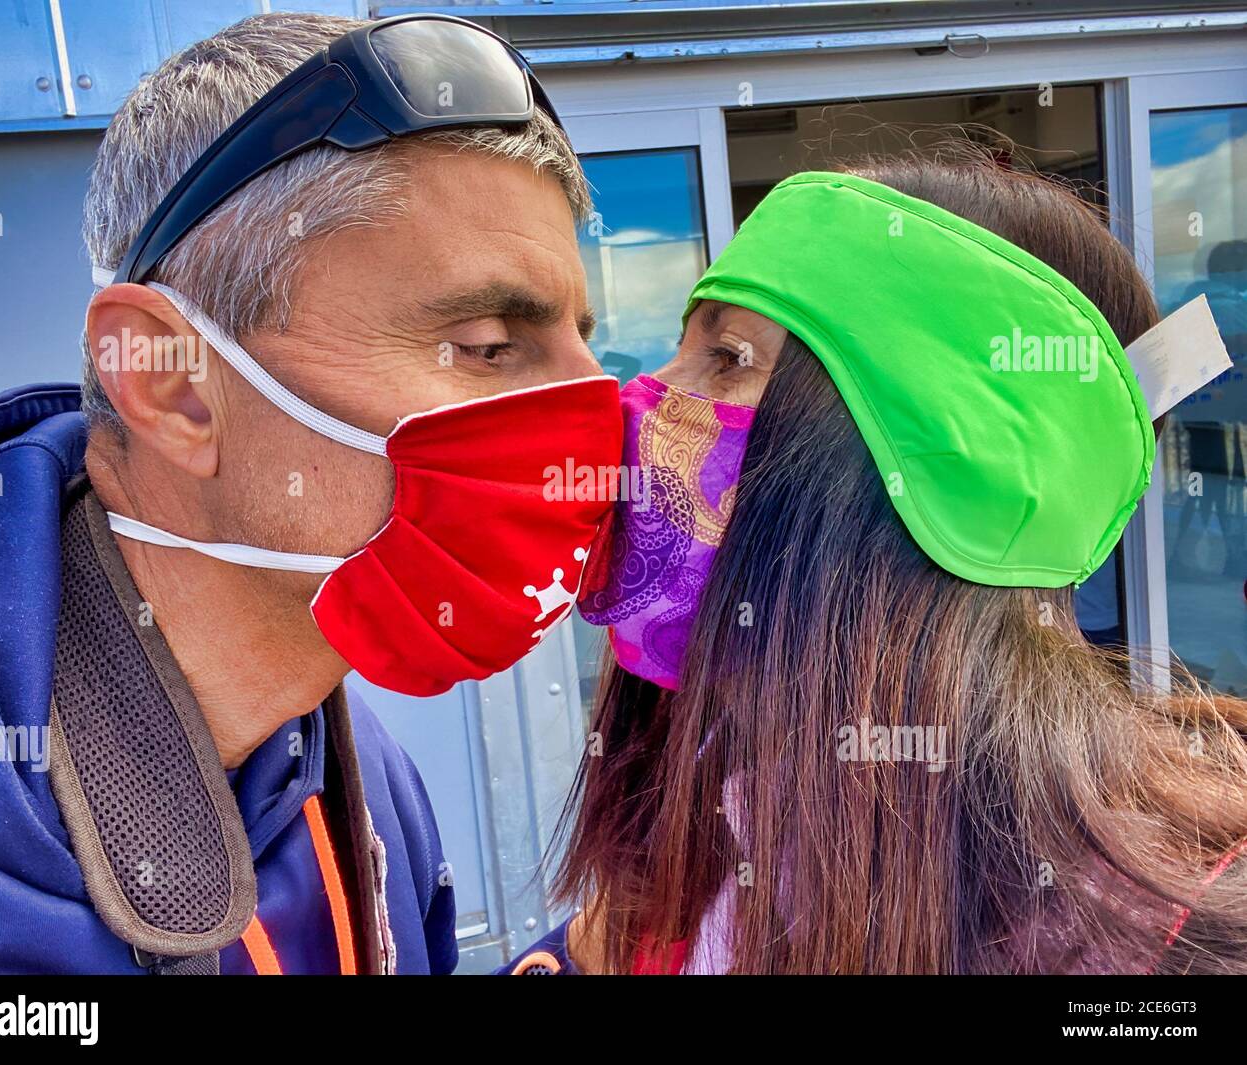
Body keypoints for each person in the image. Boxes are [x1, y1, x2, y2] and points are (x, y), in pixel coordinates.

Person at [0, 12, 620, 974]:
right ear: (172, 382)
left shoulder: (352, 770)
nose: (594, 422)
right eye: (485, 346)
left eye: (581, 343)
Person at [504, 150, 1247, 975]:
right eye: (682, 351)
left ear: (944, 483)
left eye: (730, 360)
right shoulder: (719, 811)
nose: (632, 405)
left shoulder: (1184, 940)